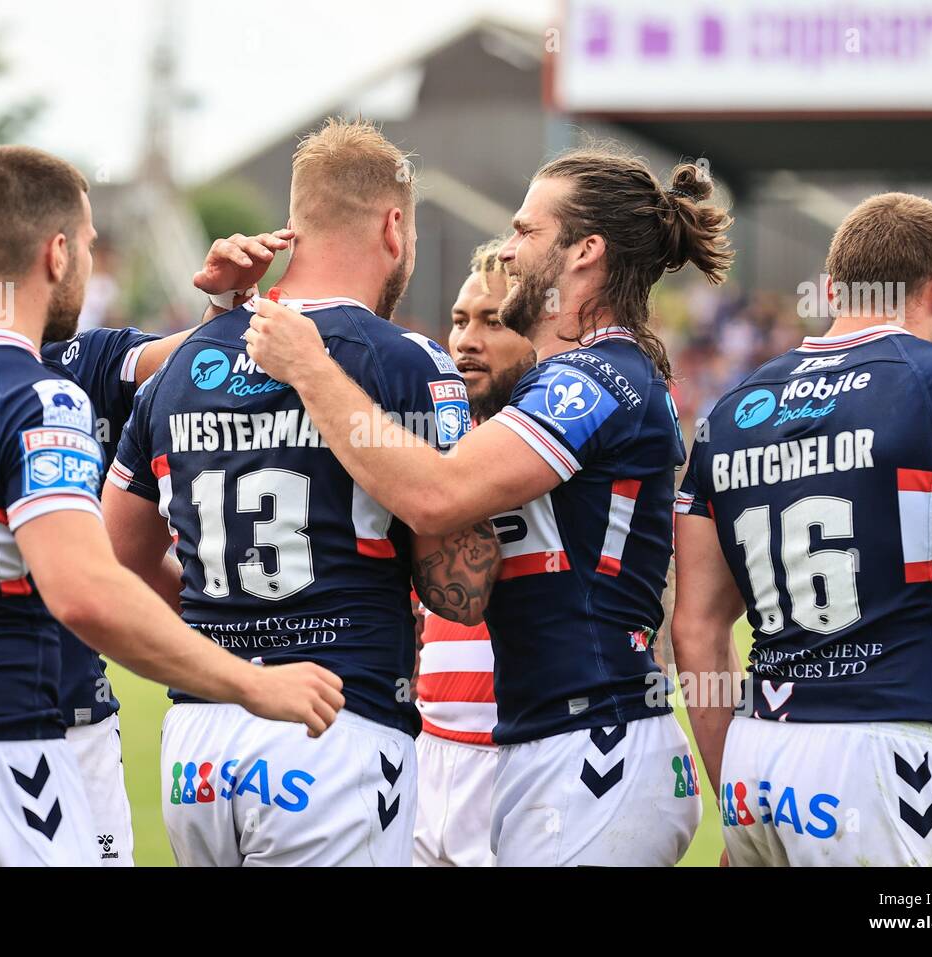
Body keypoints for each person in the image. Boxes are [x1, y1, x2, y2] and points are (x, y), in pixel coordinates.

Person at [0, 145, 343, 866]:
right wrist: (252, 681)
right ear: (57, 253)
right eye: (88, 244)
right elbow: (86, 594)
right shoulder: (35, 396)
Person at [244, 145, 730, 865]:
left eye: (526, 230)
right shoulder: (569, 377)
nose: (509, 247)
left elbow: (435, 493)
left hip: (593, 747)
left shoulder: (596, 377)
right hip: (553, 745)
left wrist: (314, 367)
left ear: (584, 252)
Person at [102, 118, 500, 866]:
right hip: (334, 725)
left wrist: (213, 646)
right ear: (394, 226)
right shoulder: (407, 359)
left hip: (199, 744)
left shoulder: (183, 363)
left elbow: (116, 551)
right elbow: (462, 592)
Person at [672, 191, 932, 866]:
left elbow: (697, 627)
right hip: (885, 753)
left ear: (834, 289)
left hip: (756, 757)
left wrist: (740, 790)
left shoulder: (729, 408)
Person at [413, 238, 534, 868]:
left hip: (523, 748)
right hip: (429, 747)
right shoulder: (435, 449)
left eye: (493, 321)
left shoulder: (564, 447)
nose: (466, 339)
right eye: (460, 320)